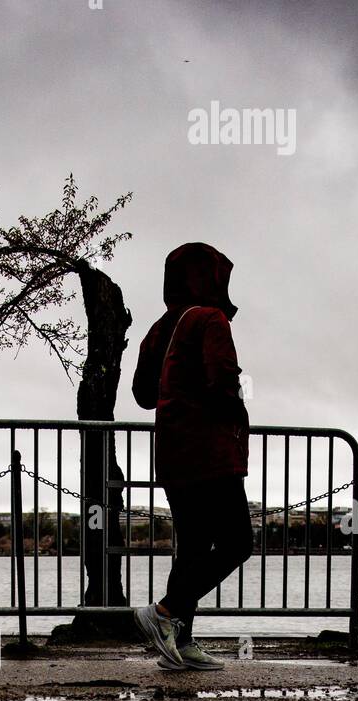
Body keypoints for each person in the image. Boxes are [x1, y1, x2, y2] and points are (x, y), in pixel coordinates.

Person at [132, 243, 253, 671]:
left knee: (194, 549)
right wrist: (239, 409)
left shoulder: (159, 328)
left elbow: (143, 396)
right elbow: (223, 380)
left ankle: (179, 645)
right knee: (239, 542)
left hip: (172, 453)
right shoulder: (210, 318)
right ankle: (165, 612)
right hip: (210, 453)